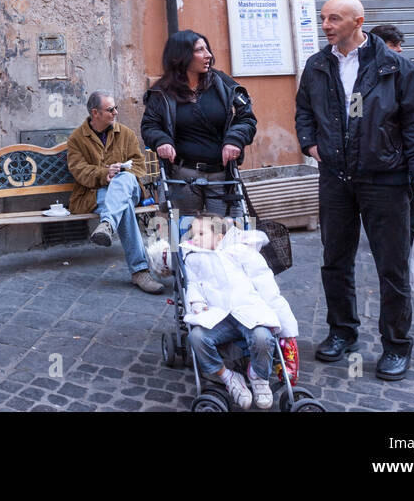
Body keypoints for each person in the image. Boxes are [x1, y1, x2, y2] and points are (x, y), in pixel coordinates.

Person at [295, 0, 414, 381]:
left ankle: (396, 345)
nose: (326, 25)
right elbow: (304, 111)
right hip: (336, 179)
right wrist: (311, 144)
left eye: (335, 19)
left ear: (358, 22)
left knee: (391, 267)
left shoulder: (396, 67)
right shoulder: (317, 65)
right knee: (335, 260)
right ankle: (342, 331)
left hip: (387, 180)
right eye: (323, 18)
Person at [181, 214, 300, 410]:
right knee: (196, 338)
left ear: (219, 237)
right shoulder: (193, 257)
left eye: (201, 233)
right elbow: (192, 285)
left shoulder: (241, 251)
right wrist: (196, 302)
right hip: (218, 317)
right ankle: (228, 377)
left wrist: (288, 330)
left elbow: (267, 286)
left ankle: (259, 376)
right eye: (193, 234)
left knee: (263, 338)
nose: (195, 238)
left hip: (249, 313)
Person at [141, 30, 256, 221]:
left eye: (207, 49)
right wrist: (161, 141)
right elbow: (149, 126)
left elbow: (247, 117)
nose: (208, 54)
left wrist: (235, 140)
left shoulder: (224, 84)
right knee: (185, 231)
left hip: (221, 175)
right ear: (181, 57)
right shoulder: (161, 92)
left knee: (221, 232)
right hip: (182, 176)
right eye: (200, 50)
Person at [66, 91, 164, 293]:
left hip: (130, 188)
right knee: (123, 204)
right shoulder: (77, 139)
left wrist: (121, 170)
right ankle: (140, 271)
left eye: (115, 108)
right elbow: (78, 170)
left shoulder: (125, 133)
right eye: (110, 110)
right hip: (96, 193)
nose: (116, 112)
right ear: (95, 113)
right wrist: (104, 173)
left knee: (124, 179)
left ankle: (107, 223)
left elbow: (139, 165)